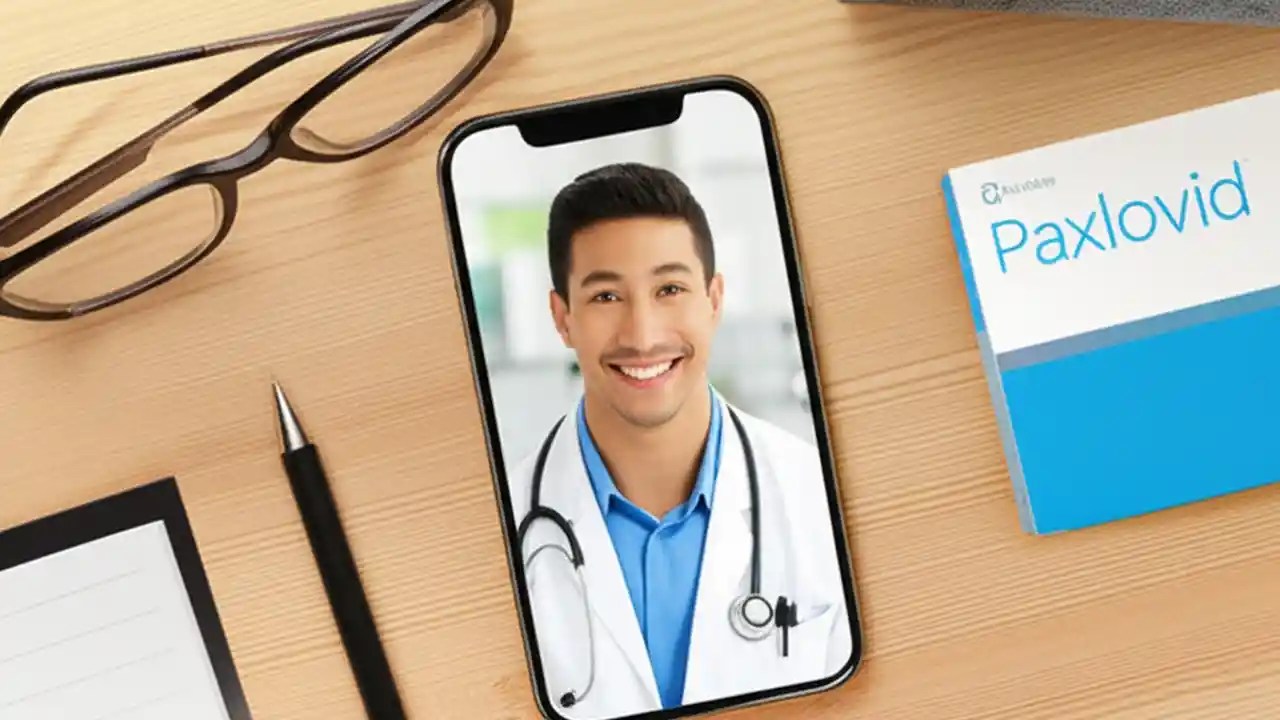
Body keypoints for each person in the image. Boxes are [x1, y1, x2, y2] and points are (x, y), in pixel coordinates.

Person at [508, 162, 854, 719]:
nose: (643, 336)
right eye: (605, 297)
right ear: (562, 317)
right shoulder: (501, 526)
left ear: (714, 300)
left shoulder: (817, 494)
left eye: (670, 288)